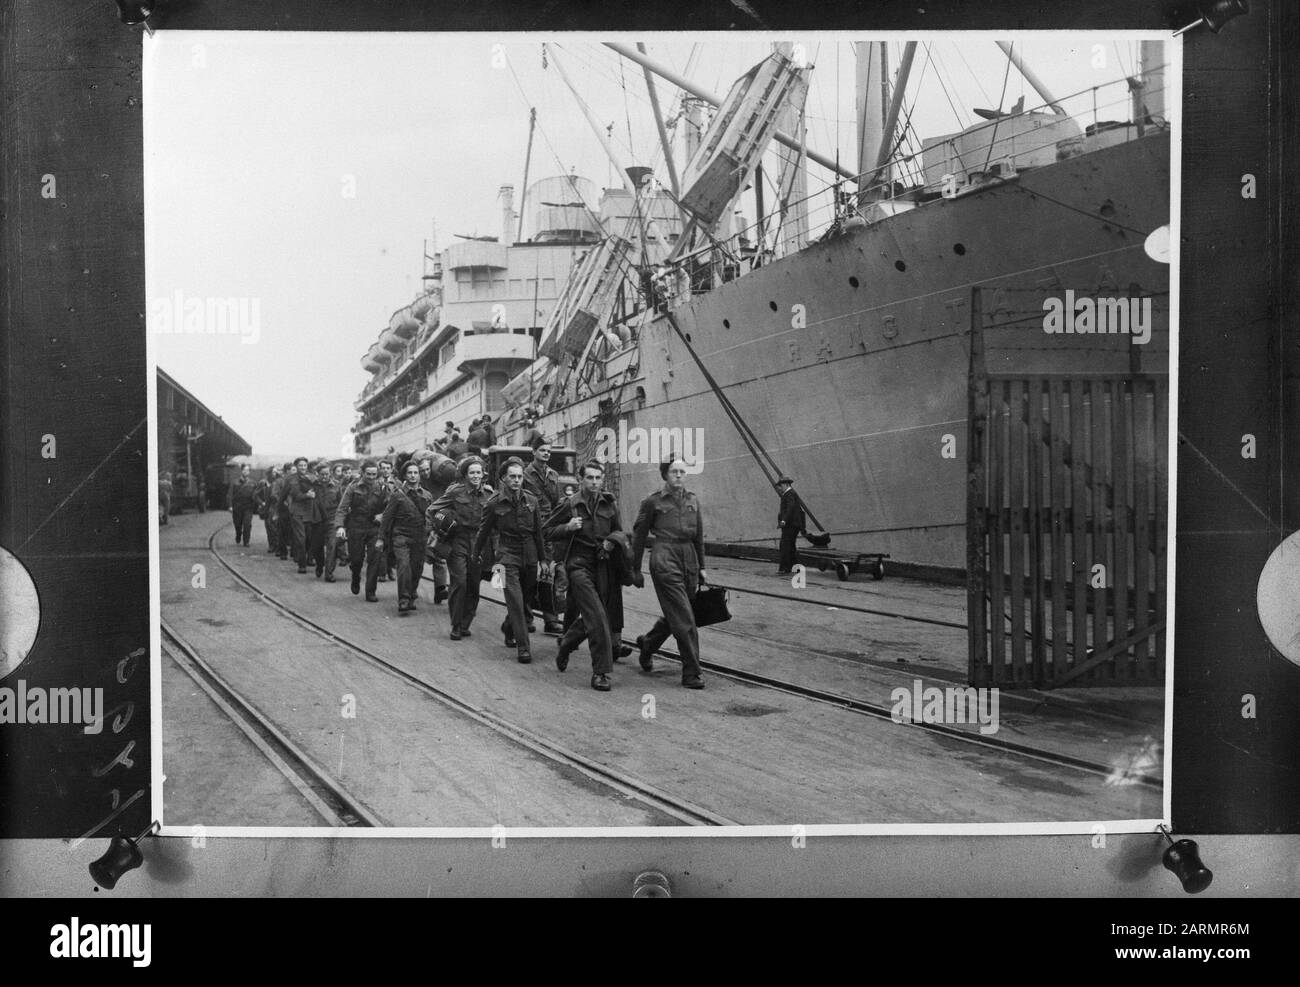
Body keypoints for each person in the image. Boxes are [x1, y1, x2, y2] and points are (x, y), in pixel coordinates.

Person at [542, 460, 622, 692]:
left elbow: (619, 529)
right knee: (597, 616)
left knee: (598, 614)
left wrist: (610, 541)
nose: (594, 482)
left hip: (602, 564)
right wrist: (567, 527)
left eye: (598, 478)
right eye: (590, 477)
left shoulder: (609, 504)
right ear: (580, 479)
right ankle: (601, 672)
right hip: (578, 565)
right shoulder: (570, 505)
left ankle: (567, 643)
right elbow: (546, 531)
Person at [631, 459, 707, 689]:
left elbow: (699, 537)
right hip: (664, 557)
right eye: (674, 471)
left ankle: (648, 645)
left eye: (683, 472)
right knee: (684, 617)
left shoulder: (693, 499)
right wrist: (635, 569)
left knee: (678, 611)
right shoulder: (652, 502)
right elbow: (639, 536)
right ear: (665, 475)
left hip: (689, 558)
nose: (679, 475)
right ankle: (691, 672)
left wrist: (702, 566)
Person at [473, 458, 545, 663]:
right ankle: (524, 647)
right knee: (515, 600)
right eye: (512, 477)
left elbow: (538, 533)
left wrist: (544, 560)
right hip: (506, 556)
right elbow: (483, 531)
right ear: (503, 478)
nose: (516, 480)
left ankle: (508, 626)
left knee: (526, 601)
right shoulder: (494, 503)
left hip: (529, 555)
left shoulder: (532, 501)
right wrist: (476, 553)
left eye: (519, 477)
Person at [429, 455, 493, 640]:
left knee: (474, 585)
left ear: (483, 475)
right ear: (465, 475)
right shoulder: (455, 492)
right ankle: (456, 625)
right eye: (471, 472)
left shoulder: (489, 495)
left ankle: (466, 622)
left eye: (478, 473)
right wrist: (442, 525)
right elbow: (433, 510)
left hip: (479, 543)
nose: (475, 476)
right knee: (460, 583)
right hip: (458, 541)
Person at [376, 461, 434, 615]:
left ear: (419, 475)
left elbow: (433, 516)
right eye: (410, 473)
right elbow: (387, 518)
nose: (413, 476)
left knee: (417, 568)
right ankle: (403, 599)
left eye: (416, 473)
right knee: (403, 566)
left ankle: (411, 594)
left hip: (420, 538)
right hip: (401, 537)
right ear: (404, 475)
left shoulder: (427, 495)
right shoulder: (397, 495)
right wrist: (381, 538)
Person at [522, 438, 566, 634]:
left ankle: (551, 619)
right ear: (533, 452)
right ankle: (526, 617)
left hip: (547, 528)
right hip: (530, 528)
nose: (546, 453)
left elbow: (557, 503)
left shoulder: (553, 475)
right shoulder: (524, 475)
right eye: (542, 450)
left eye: (548, 451)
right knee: (530, 574)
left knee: (549, 574)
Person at [334, 460, 389, 600]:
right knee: (356, 559)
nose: (371, 477)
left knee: (375, 559)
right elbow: (342, 508)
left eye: (374, 474)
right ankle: (355, 576)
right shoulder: (353, 488)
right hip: (356, 527)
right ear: (362, 473)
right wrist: (340, 526)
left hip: (374, 528)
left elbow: (390, 506)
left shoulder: (383, 488)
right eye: (368, 474)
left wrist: (383, 515)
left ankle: (370, 591)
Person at [421, 453, 457, 604]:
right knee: (429, 558)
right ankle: (410, 590)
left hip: (440, 522)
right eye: (421, 470)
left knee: (441, 557)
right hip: (423, 524)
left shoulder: (440, 482)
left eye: (427, 469)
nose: (425, 473)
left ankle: (441, 590)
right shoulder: (418, 482)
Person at [309, 461, 342, 580]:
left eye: (327, 474)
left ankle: (329, 573)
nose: (325, 477)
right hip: (317, 521)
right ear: (317, 474)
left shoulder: (336, 486)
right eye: (322, 474)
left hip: (332, 520)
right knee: (317, 547)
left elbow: (341, 503)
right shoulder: (312, 486)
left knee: (332, 546)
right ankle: (319, 565)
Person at [776, 475, 804, 575]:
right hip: (793, 525)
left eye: (781, 485)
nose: (780, 487)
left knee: (785, 545)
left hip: (790, 525)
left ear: (786, 484)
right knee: (790, 546)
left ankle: (785, 568)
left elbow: (790, 508)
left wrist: (784, 520)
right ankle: (795, 568)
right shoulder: (789, 493)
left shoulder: (789, 494)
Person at [227, 464, 257, 547]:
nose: (245, 472)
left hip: (248, 507)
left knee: (247, 524)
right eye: (244, 470)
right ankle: (238, 534)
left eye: (247, 470)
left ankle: (246, 541)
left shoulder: (253, 483)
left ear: (249, 472)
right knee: (237, 524)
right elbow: (230, 494)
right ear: (241, 471)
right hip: (237, 507)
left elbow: (257, 495)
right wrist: (230, 506)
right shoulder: (235, 482)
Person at [256, 467, 280, 553]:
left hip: (275, 506)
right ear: (269, 473)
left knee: (276, 527)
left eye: (276, 472)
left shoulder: (278, 482)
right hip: (267, 507)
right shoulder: (263, 483)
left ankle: (277, 546)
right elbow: (255, 495)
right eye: (273, 472)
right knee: (269, 527)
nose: (275, 474)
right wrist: (261, 502)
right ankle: (272, 545)